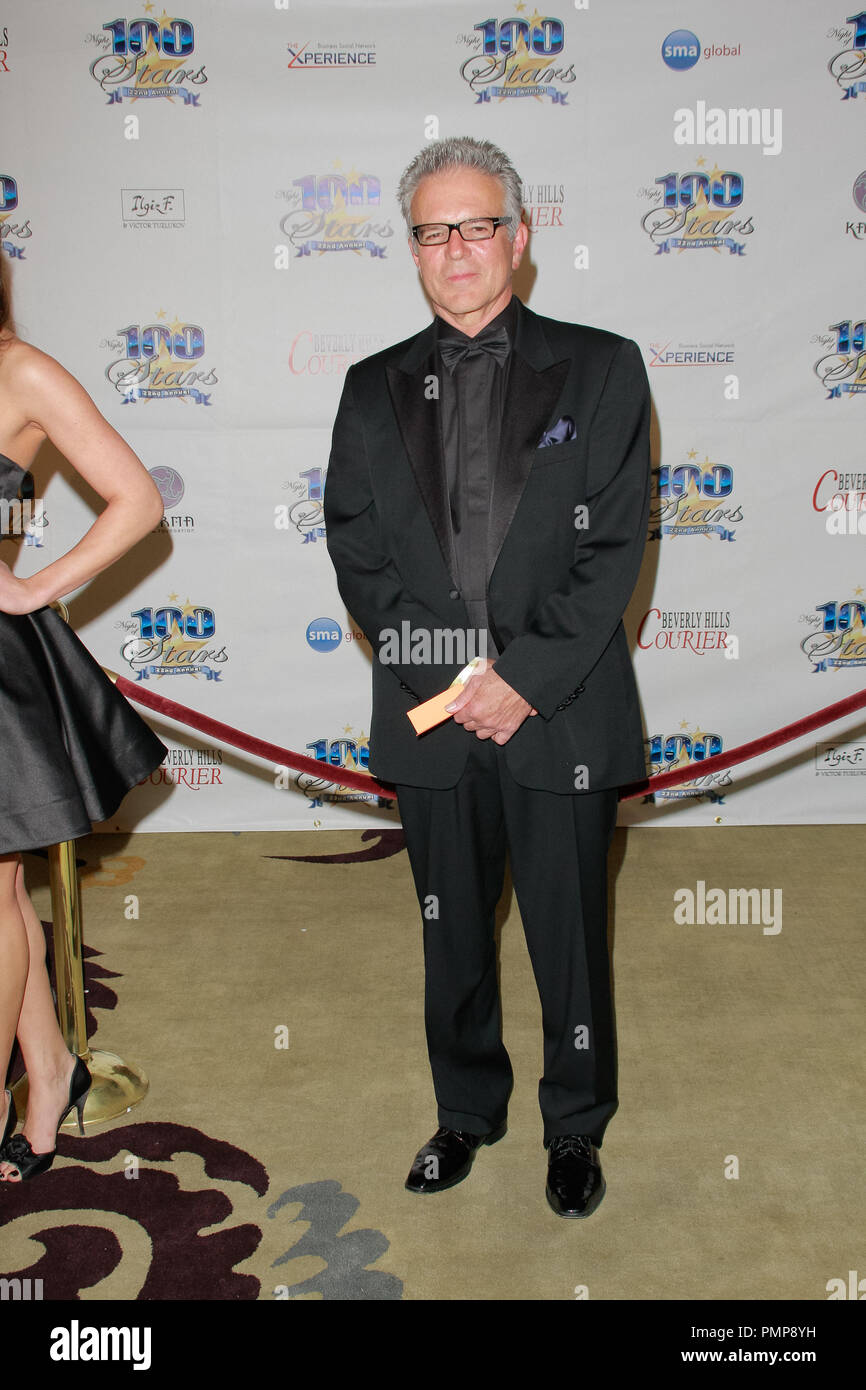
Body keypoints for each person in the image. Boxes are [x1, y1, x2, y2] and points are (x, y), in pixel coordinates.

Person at [324, 136, 650, 1218]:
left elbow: (610, 550)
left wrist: (521, 678)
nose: (454, 248)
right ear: (412, 248)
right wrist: (450, 676)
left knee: (567, 938)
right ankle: (464, 1110)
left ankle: (574, 1126)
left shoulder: (601, 366)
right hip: (428, 715)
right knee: (448, 931)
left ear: (518, 234)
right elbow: (356, 548)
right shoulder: (370, 388)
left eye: (474, 225)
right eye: (431, 230)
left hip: (557, 708)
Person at [0, 268, 167, 1182]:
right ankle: (50, 1068)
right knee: (1, 893)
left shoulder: (20, 373)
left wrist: (30, 588)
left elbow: (137, 500)